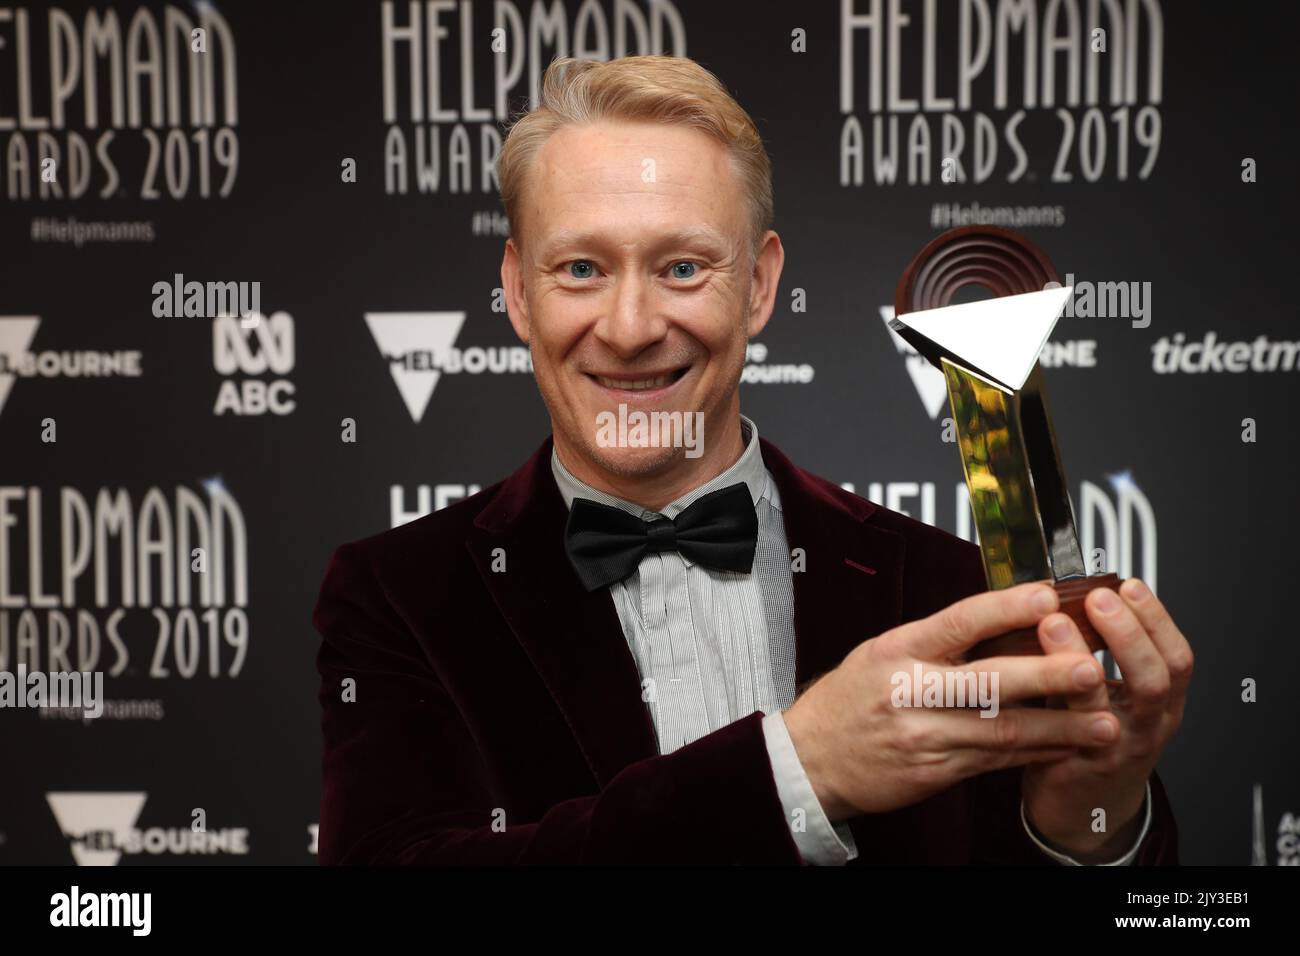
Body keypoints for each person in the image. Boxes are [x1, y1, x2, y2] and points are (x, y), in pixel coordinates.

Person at [312, 55, 1190, 865]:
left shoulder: (949, 590)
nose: (629, 327)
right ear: (515, 292)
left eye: (683, 267)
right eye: (580, 268)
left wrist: (1085, 822)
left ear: (761, 286)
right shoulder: (398, 595)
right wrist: (798, 770)